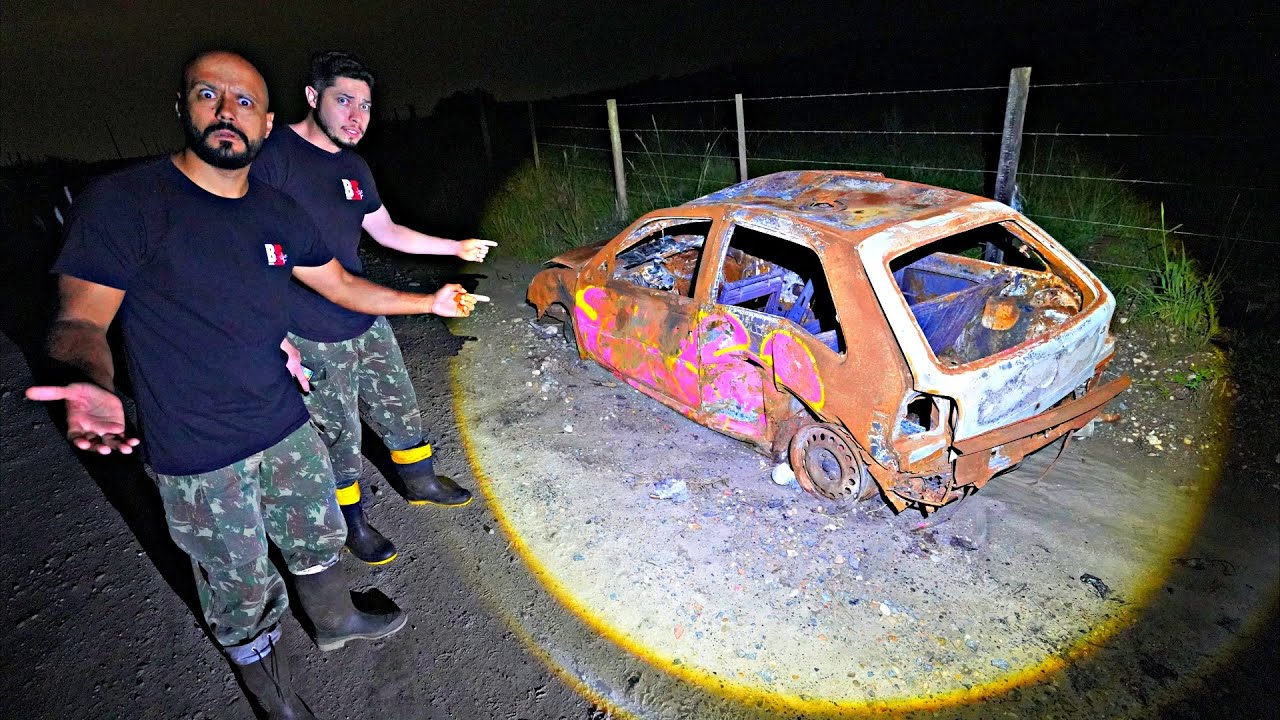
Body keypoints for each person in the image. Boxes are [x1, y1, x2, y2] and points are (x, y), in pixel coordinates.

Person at [24, 50, 481, 719]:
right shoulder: (128, 203)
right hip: (197, 451)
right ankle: (278, 704)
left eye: (243, 101)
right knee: (239, 587)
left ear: (266, 122)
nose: (227, 111)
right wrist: (86, 377)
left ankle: (333, 622)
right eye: (209, 95)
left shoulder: (277, 211)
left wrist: (430, 303)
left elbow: (344, 285)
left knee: (317, 534)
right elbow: (80, 320)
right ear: (183, 107)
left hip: (284, 422)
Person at [251, 50, 495, 566]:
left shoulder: (355, 165)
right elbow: (243, 249)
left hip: (364, 313)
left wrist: (455, 247)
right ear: (313, 98)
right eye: (344, 101)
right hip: (309, 326)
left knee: (398, 402)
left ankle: (421, 481)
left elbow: (386, 231)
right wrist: (274, 335)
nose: (357, 115)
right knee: (339, 431)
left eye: (365, 104)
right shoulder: (273, 156)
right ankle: (353, 524)